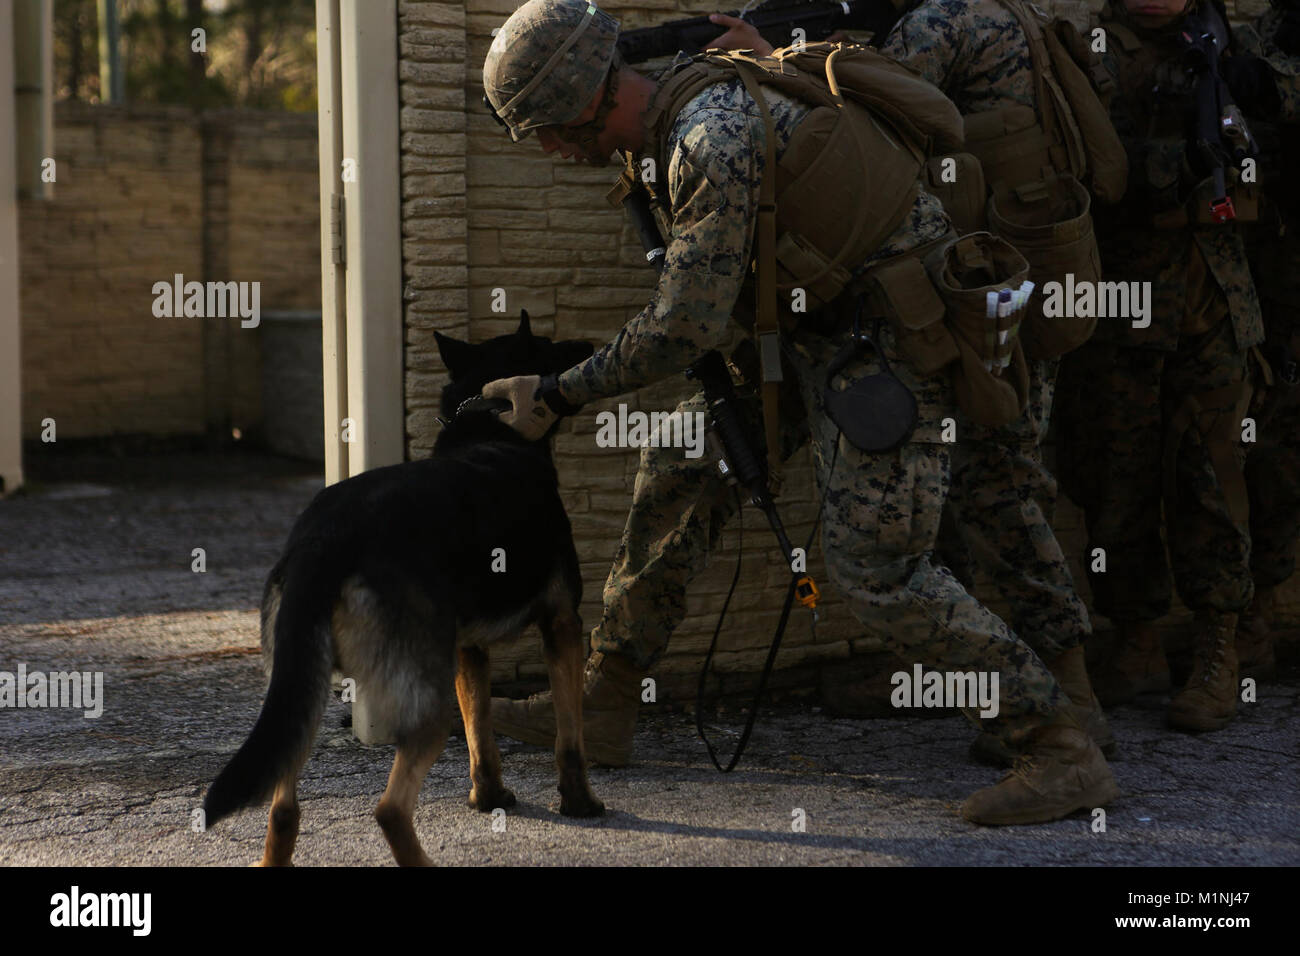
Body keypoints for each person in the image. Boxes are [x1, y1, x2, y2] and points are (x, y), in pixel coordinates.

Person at [479, 0, 1118, 824]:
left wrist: (561, 392)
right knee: (679, 471)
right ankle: (603, 703)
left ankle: (1061, 748)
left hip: (886, 344)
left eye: (548, 132)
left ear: (580, 100)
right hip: (802, 333)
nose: (554, 152)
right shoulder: (673, 117)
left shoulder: (709, 140)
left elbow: (685, 322)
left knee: (878, 571)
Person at [678, 0, 1121, 766]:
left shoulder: (940, 22)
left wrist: (765, 60)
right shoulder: (1021, 11)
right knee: (988, 486)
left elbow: (858, 124)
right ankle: (984, 683)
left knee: (997, 492)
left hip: (978, 287)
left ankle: (1071, 704)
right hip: (1025, 274)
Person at [1055, 0, 1266, 731]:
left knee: (1213, 482)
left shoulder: (1228, 40)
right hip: (1120, 303)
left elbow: (1258, 162)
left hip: (1209, 300)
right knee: (1118, 480)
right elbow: (1082, 164)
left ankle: (1219, 649)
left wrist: (1249, 93)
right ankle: (1135, 642)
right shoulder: (1084, 44)